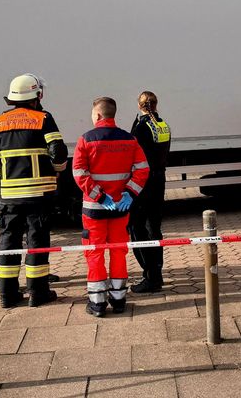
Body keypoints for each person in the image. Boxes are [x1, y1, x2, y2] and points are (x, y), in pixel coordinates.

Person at [0, 74, 68, 309]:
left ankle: (7, 295)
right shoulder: (43, 119)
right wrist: (58, 169)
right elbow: (58, 152)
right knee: (37, 240)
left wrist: (3, 173)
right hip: (40, 194)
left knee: (8, 241)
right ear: (37, 96)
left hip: (10, 195)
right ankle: (38, 293)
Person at [73, 97, 149, 317]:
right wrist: (130, 193)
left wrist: (99, 197)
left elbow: (79, 173)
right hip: (120, 209)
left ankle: (97, 304)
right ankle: (119, 300)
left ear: (97, 115)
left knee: (94, 252)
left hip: (94, 210)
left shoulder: (85, 140)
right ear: (113, 115)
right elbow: (142, 169)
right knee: (118, 251)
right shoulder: (130, 140)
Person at [128, 91, 171, 294]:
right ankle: (158, 272)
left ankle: (150, 276)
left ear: (139, 106)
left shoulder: (140, 128)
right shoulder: (163, 125)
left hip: (143, 182)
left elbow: (132, 155)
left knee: (138, 228)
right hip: (159, 179)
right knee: (154, 227)